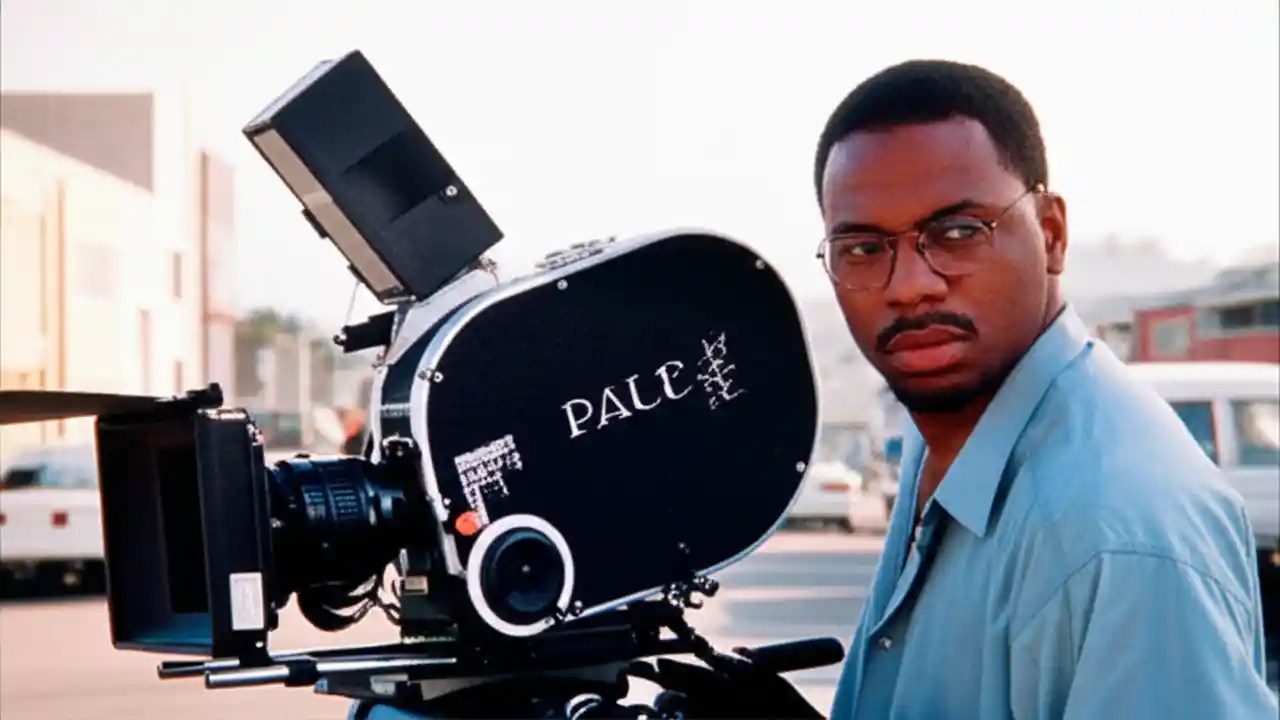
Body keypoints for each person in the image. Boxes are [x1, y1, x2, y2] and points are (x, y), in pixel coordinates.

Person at [653, 59, 1279, 718]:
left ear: (1052, 234)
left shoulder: (1119, 534)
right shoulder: (951, 436)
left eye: (957, 234)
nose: (909, 284)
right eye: (864, 248)